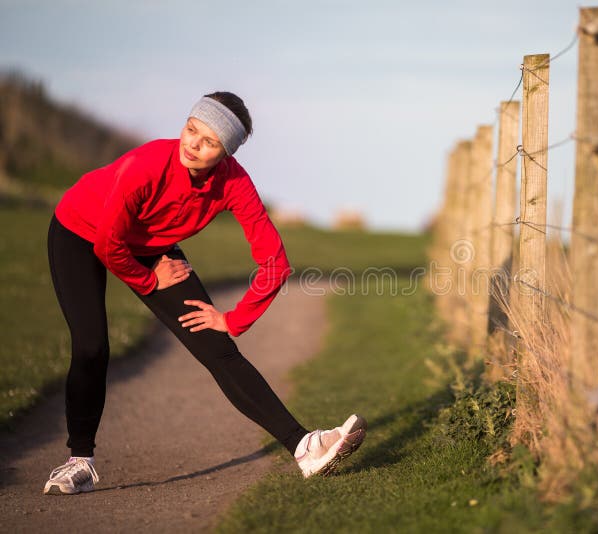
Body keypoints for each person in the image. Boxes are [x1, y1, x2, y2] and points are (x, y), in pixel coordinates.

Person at [43, 92, 366, 495]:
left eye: (209, 142)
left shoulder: (234, 182)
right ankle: (80, 461)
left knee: (219, 347)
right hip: (80, 231)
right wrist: (149, 280)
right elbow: (109, 246)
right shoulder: (146, 165)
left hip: (152, 247)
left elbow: (275, 263)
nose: (193, 145)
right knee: (91, 346)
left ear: (225, 152)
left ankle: (303, 446)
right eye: (192, 130)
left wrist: (233, 318)